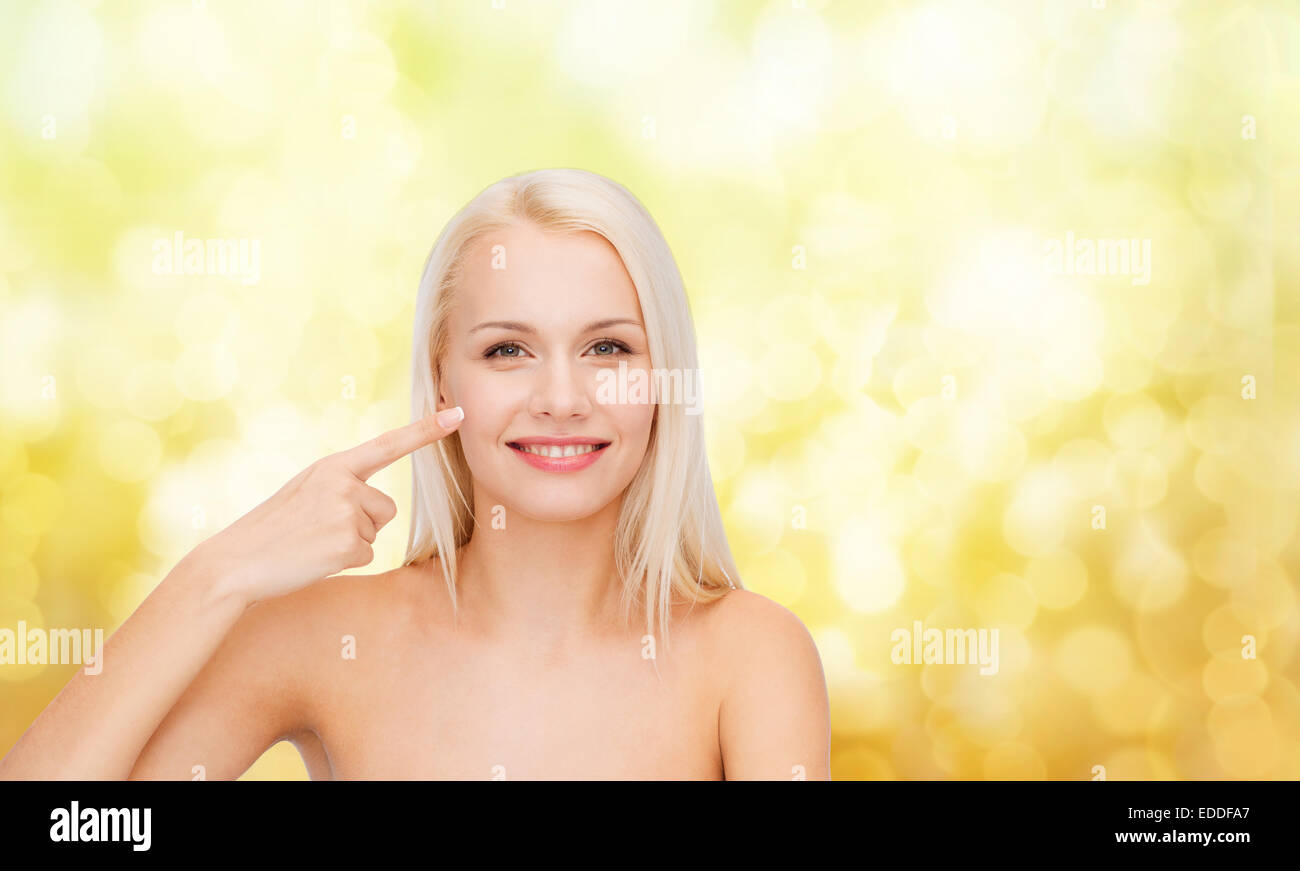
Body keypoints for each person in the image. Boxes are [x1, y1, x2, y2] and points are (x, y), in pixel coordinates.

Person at [0, 168, 830, 780]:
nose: (561, 398)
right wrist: (217, 573)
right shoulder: (320, 636)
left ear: (663, 376)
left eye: (607, 347)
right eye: (508, 350)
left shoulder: (749, 655)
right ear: (441, 380)